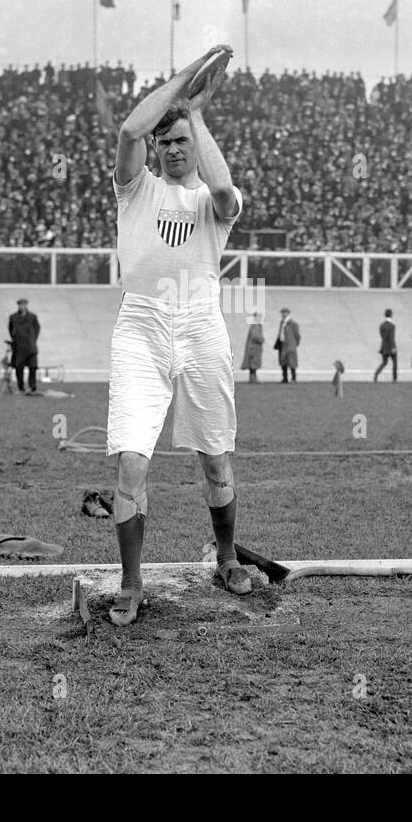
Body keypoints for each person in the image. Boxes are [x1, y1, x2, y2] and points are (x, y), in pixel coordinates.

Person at [105, 43, 250, 627]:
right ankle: (132, 582)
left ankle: (226, 554)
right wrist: (186, 81)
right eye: (163, 142)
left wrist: (196, 113)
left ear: (195, 143)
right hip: (140, 325)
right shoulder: (134, 188)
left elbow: (222, 190)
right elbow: (127, 128)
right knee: (131, 465)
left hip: (199, 323)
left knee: (215, 459)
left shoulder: (214, 202)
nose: (169, 148)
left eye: (180, 140)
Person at [8, 298, 41, 394]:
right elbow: (10, 329)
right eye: (20, 305)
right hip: (19, 346)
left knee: (32, 367)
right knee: (19, 368)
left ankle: (32, 386)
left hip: (30, 346)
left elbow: (37, 328)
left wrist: (33, 339)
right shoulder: (13, 317)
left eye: (24, 304)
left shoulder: (32, 317)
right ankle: (21, 386)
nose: (22, 306)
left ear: (27, 305)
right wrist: (15, 338)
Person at [275, 307, 301, 383]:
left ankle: (293, 378)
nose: (283, 314)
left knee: (292, 361)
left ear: (288, 313)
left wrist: (295, 343)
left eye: (285, 312)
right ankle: (285, 378)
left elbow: (297, 335)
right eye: (282, 313)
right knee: (283, 361)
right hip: (282, 344)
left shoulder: (293, 324)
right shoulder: (282, 322)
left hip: (290, 345)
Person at [374, 308, 398, 381]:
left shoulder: (382, 325)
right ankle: (394, 378)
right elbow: (392, 337)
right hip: (391, 346)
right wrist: (393, 347)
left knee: (384, 362)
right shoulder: (392, 326)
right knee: (395, 363)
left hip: (384, 346)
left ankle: (376, 373)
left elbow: (382, 336)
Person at [241, 312, 265, 383]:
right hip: (254, 348)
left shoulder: (255, 325)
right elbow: (255, 336)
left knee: (253, 363)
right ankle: (253, 378)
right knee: (253, 363)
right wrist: (262, 339)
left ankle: (253, 378)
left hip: (253, 347)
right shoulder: (256, 325)